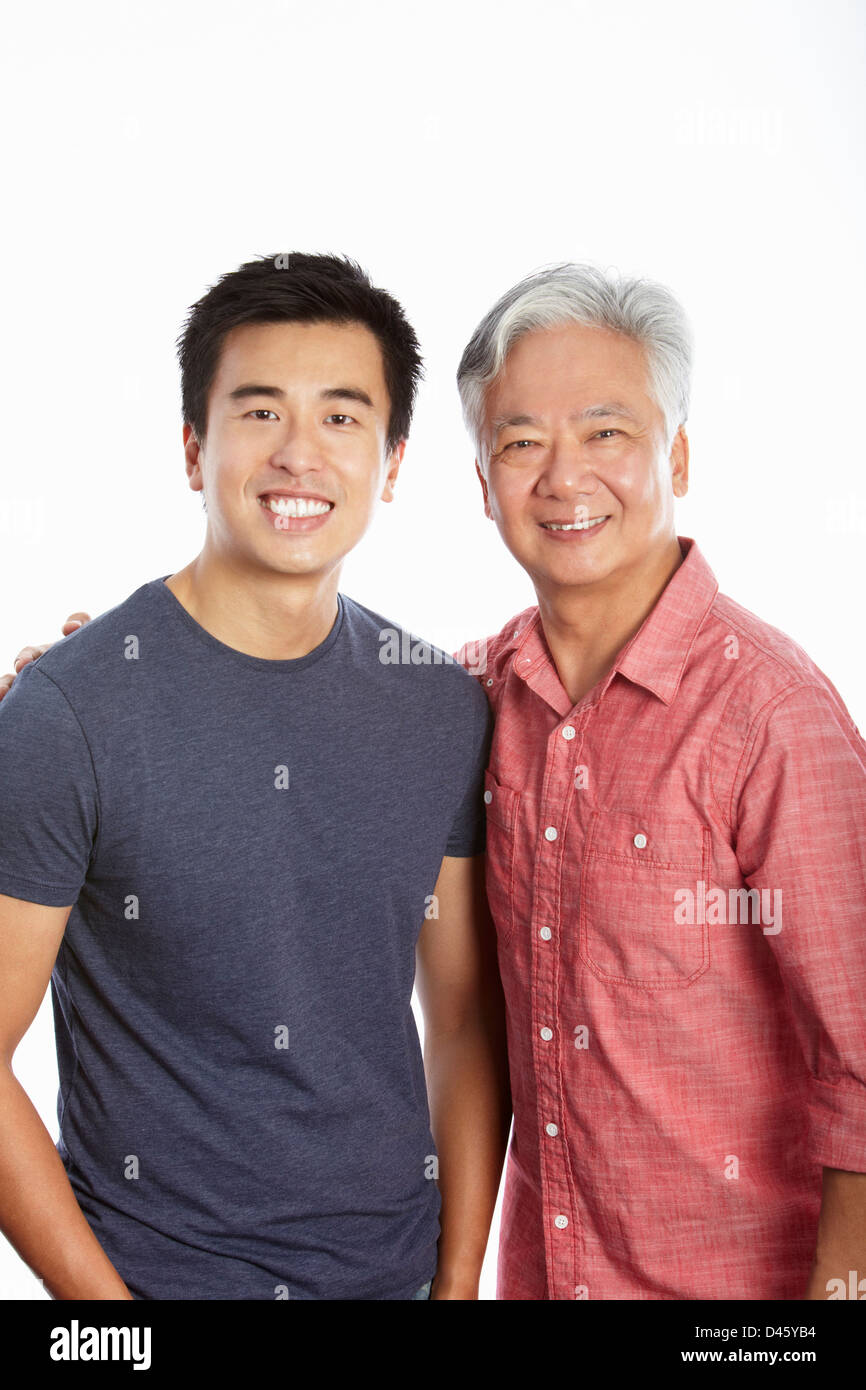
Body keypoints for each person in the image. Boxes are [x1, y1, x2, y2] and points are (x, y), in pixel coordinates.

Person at [0, 252, 510, 1301]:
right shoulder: (68, 712)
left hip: (396, 1279)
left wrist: (456, 1284)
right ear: (194, 448)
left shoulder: (439, 706)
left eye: (339, 417)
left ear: (393, 460)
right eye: (259, 411)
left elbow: (458, 1017)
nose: (297, 455)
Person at [452, 262, 866, 1300]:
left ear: (674, 452)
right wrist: (124, 676)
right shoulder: (476, 696)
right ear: (480, 482)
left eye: (604, 432)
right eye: (518, 441)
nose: (561, 476)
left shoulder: (769, 712)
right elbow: (306, 694)